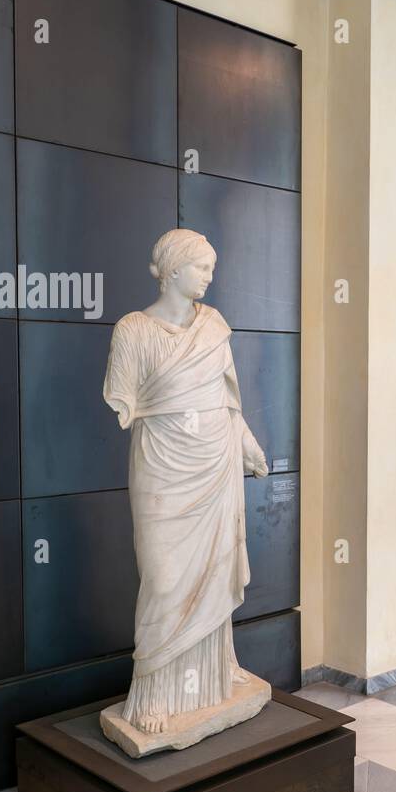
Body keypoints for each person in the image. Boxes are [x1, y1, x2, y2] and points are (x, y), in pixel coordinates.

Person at [102, 229, 268, 734]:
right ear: (172, 270)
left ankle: (215, 674)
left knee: (215, 568)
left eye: (212, 268)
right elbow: (124, 400)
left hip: (216, 460)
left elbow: (227, 401)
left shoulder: (214, 327)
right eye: (202, 267)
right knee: (165, 576)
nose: (209, 277)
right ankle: (152, 687)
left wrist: (248, 444)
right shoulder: (133, 329)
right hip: (163, 466)